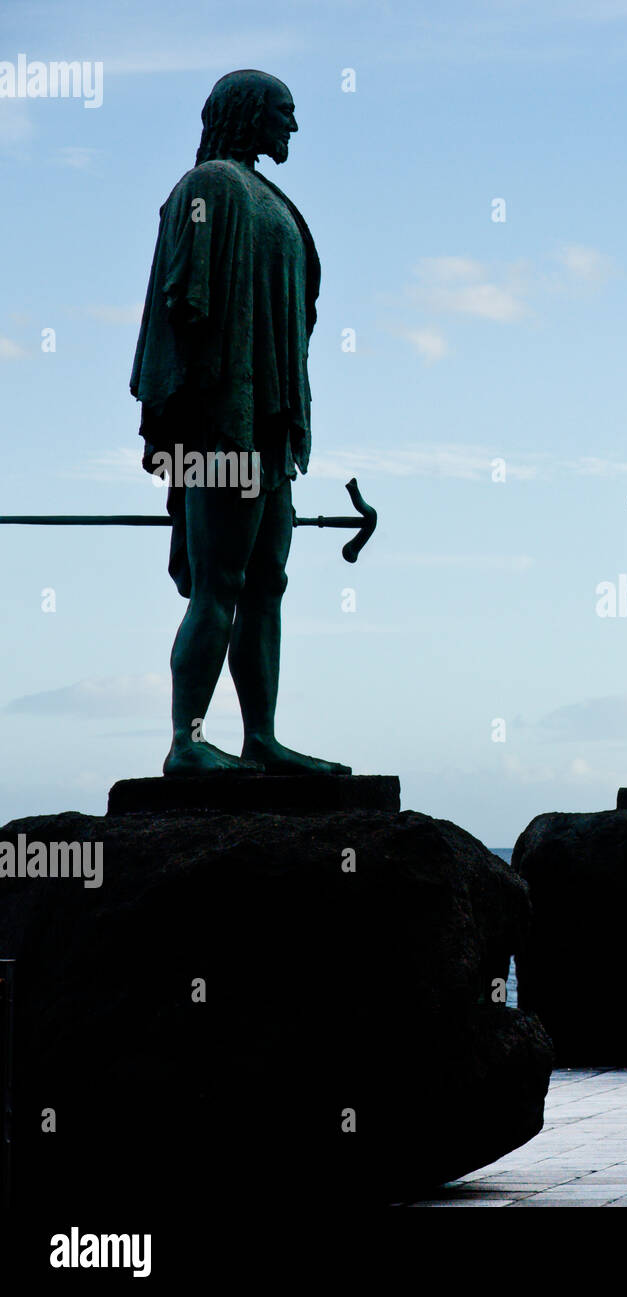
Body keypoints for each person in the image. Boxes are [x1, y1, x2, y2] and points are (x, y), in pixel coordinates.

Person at [131, 70, 350, 777]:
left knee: (265, 585)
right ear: (251, 114)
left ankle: (261, 737)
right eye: (285, 113)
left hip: (270, 425)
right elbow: (182, 307)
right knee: (218, 583)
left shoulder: (269, 199)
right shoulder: (210, 187)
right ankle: (187, 740)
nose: (293, 127)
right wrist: (200, 428)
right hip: (222, 424)